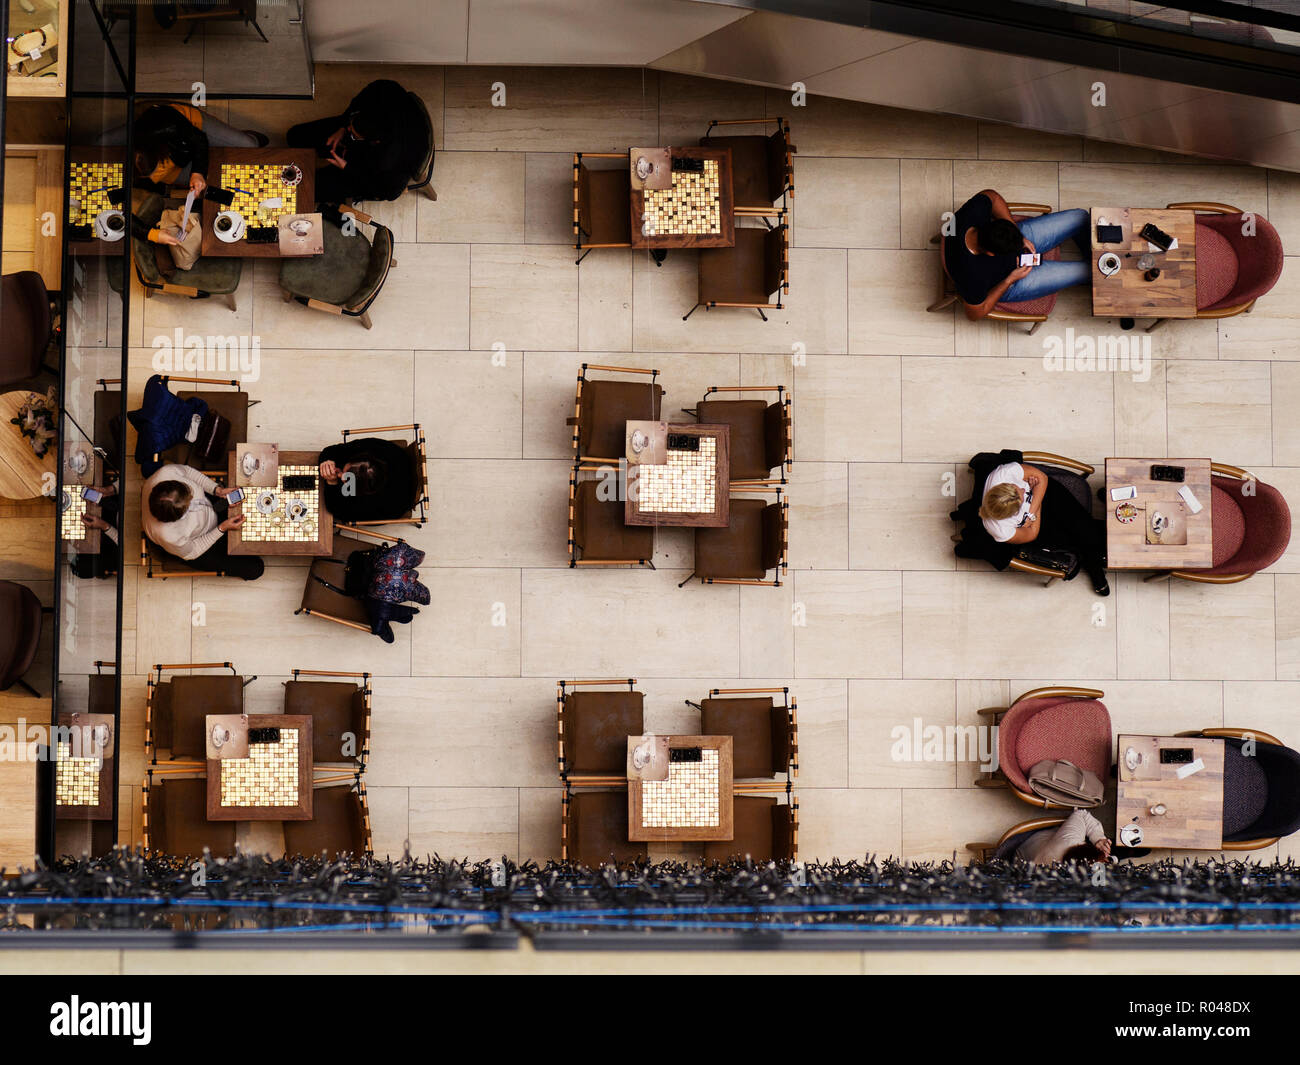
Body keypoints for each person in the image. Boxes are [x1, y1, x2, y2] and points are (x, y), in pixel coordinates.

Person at [97, 102, 266, 246]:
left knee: (249, 147)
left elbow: (198, 140)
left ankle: (246, 138)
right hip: (173, 168)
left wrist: (197, 172)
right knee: (219, 184)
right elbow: (118, 209)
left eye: (156, 171)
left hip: (191, 132)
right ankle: (215, 158)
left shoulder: (166, 126)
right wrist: (153, 235)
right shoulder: (119, 165)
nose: (154, 177)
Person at [945, 189, 1091, 319]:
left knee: (1081, 217)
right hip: (1011, 282)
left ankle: (1091, 253)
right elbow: (975, 314)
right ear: (990, 254)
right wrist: (1009, 280)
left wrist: (1019, 235)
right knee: (1091, 270)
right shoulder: (972, 276)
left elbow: (992, 196)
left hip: (1012, 237)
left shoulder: (972, 214)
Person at [979, 458, 1109, 596]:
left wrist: (1031, 509)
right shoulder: (1000, 529)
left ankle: (1094, 565)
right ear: (1012, 513)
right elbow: (1032, 534)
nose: (1023, 489)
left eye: (1016, 486)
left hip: (1047, 495)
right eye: (1022, 496)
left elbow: (1042, 478)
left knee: (1081, 527)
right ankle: (1095, 562)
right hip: (1039, 523)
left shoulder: (1003, 474)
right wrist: (1035, 503)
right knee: (1074, 537)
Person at [286, 79, 426, 206]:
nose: (349, 130)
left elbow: (389, 193)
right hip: (370, 144)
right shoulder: (387, 93)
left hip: (365, 172)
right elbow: (370, 91)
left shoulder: (389, 163)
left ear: (375, 142)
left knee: (304, 188)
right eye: (351, 125)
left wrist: (347, 167)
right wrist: (343, 126)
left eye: (353, 134)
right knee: (294, 136)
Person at [141, 463, 264, 580]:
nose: (193, 497)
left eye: (189, 491)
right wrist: (221, 529)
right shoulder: (170, 535)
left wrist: (217, 490)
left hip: (211, 509)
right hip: (200, 544)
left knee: (250, 494)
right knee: (255, 568)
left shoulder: (165, 473)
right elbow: (193, 551)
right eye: (189, 504)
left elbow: (189, 472)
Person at [317, 437, 416, 523]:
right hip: (399, 458)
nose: (340, 476)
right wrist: (327, 462)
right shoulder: (370, 447)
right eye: (344, 470)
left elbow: (338, 510)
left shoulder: (377, 505)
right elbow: (330, 451)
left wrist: (332, 482)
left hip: (398, 500)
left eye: (347, 481)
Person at [1015, 809, 1112, 863]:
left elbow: (1081, 814)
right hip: (1026, 856)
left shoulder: (1070, 840)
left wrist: (1098, 838)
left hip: (1025, 845)